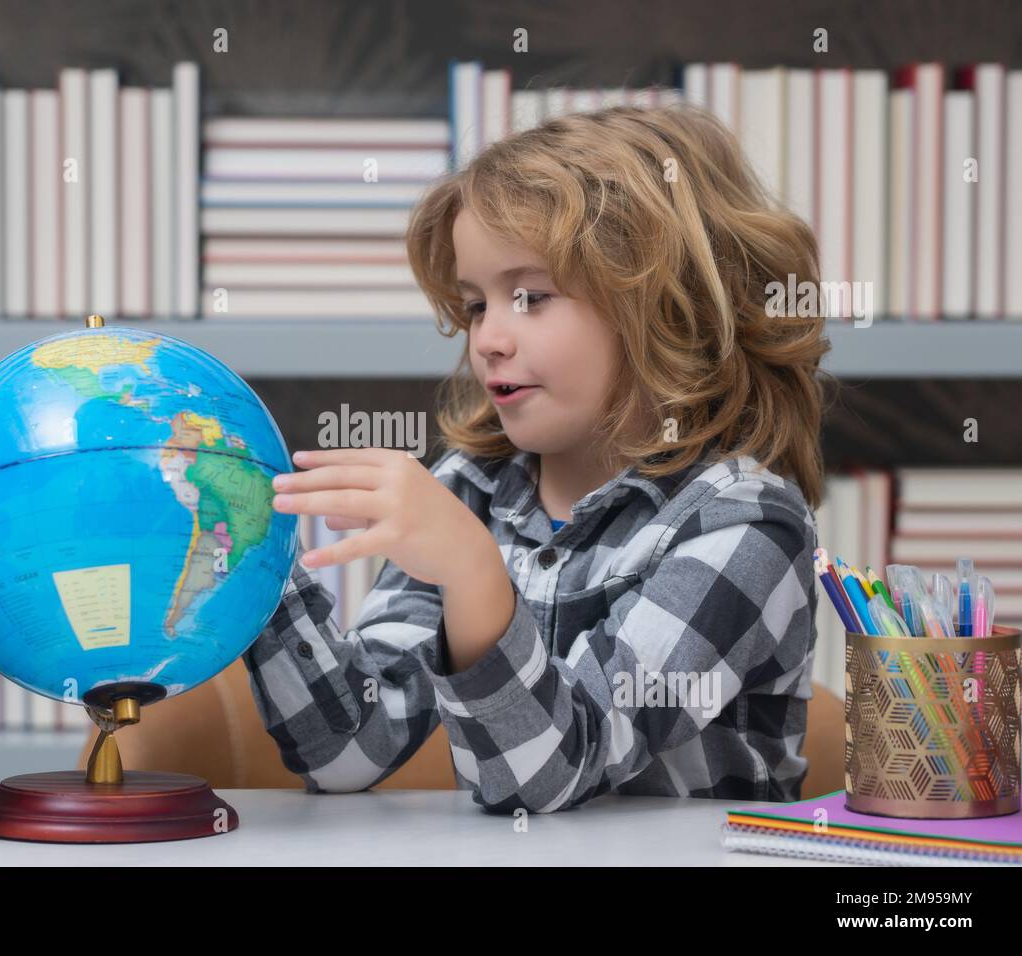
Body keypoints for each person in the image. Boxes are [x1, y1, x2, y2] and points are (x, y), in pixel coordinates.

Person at [243, 103, 829, 813]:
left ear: (667, 304)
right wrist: (250, 549)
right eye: (474, 305)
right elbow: (351, 749)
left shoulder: (744, 525)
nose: (488, 337)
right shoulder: (470, 490)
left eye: (529, 296)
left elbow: (552, 771)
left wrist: (474, 574)